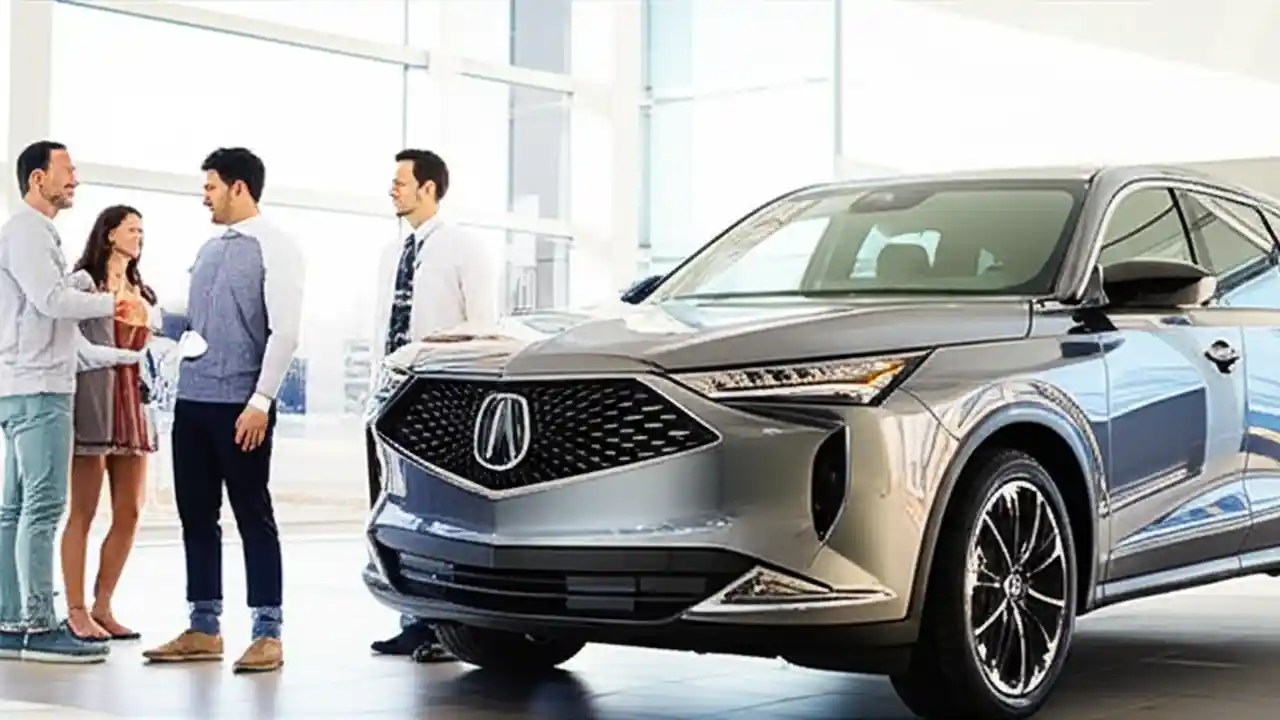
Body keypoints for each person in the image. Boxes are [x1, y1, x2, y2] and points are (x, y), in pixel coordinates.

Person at [141, 147, 304, 674]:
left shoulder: (276, 247)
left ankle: (268, 633)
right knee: (196, 517)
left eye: (211, 185)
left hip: (241, 406)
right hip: (194, 402)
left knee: (253, 516)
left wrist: (262, 402)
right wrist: (150, 315)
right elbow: (198, 322)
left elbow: (285, 332)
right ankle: (204, 627)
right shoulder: (210, 248)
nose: (204, 194)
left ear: (239, 187)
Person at [0, 140, 141, 663]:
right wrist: (115, 301)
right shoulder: (28, 231)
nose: (75, 178)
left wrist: (129, 360)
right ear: (38, 179)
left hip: (28, 384)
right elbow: (52, 301)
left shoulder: (33, 234)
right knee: (42, 508)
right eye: (68, 170)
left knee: (14, 509)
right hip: (39, 393)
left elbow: (70, 344)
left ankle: (11, 619)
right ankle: (37, 623)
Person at [368, 149, 500, 662]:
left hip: (441, 401)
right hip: (391, 397)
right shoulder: (392, 252)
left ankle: (447, 627)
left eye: (401, 182)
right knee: (394, 509)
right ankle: (413, 620)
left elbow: (483, 324)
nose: (393, 189)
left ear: (429, 189)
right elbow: (383, 325)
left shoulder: (464, 246)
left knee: (438, 514)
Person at [61, 205, 158, 643]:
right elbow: (71, 343)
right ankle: (77, 610)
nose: (139, 236)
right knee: (82, 509)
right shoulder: (82, 284)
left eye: (141, 230)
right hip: (94, 400)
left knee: (130, 512)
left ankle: (104, 606)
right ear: (109, 233)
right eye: (131, 229)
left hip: (133, 402)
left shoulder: (142, 290)